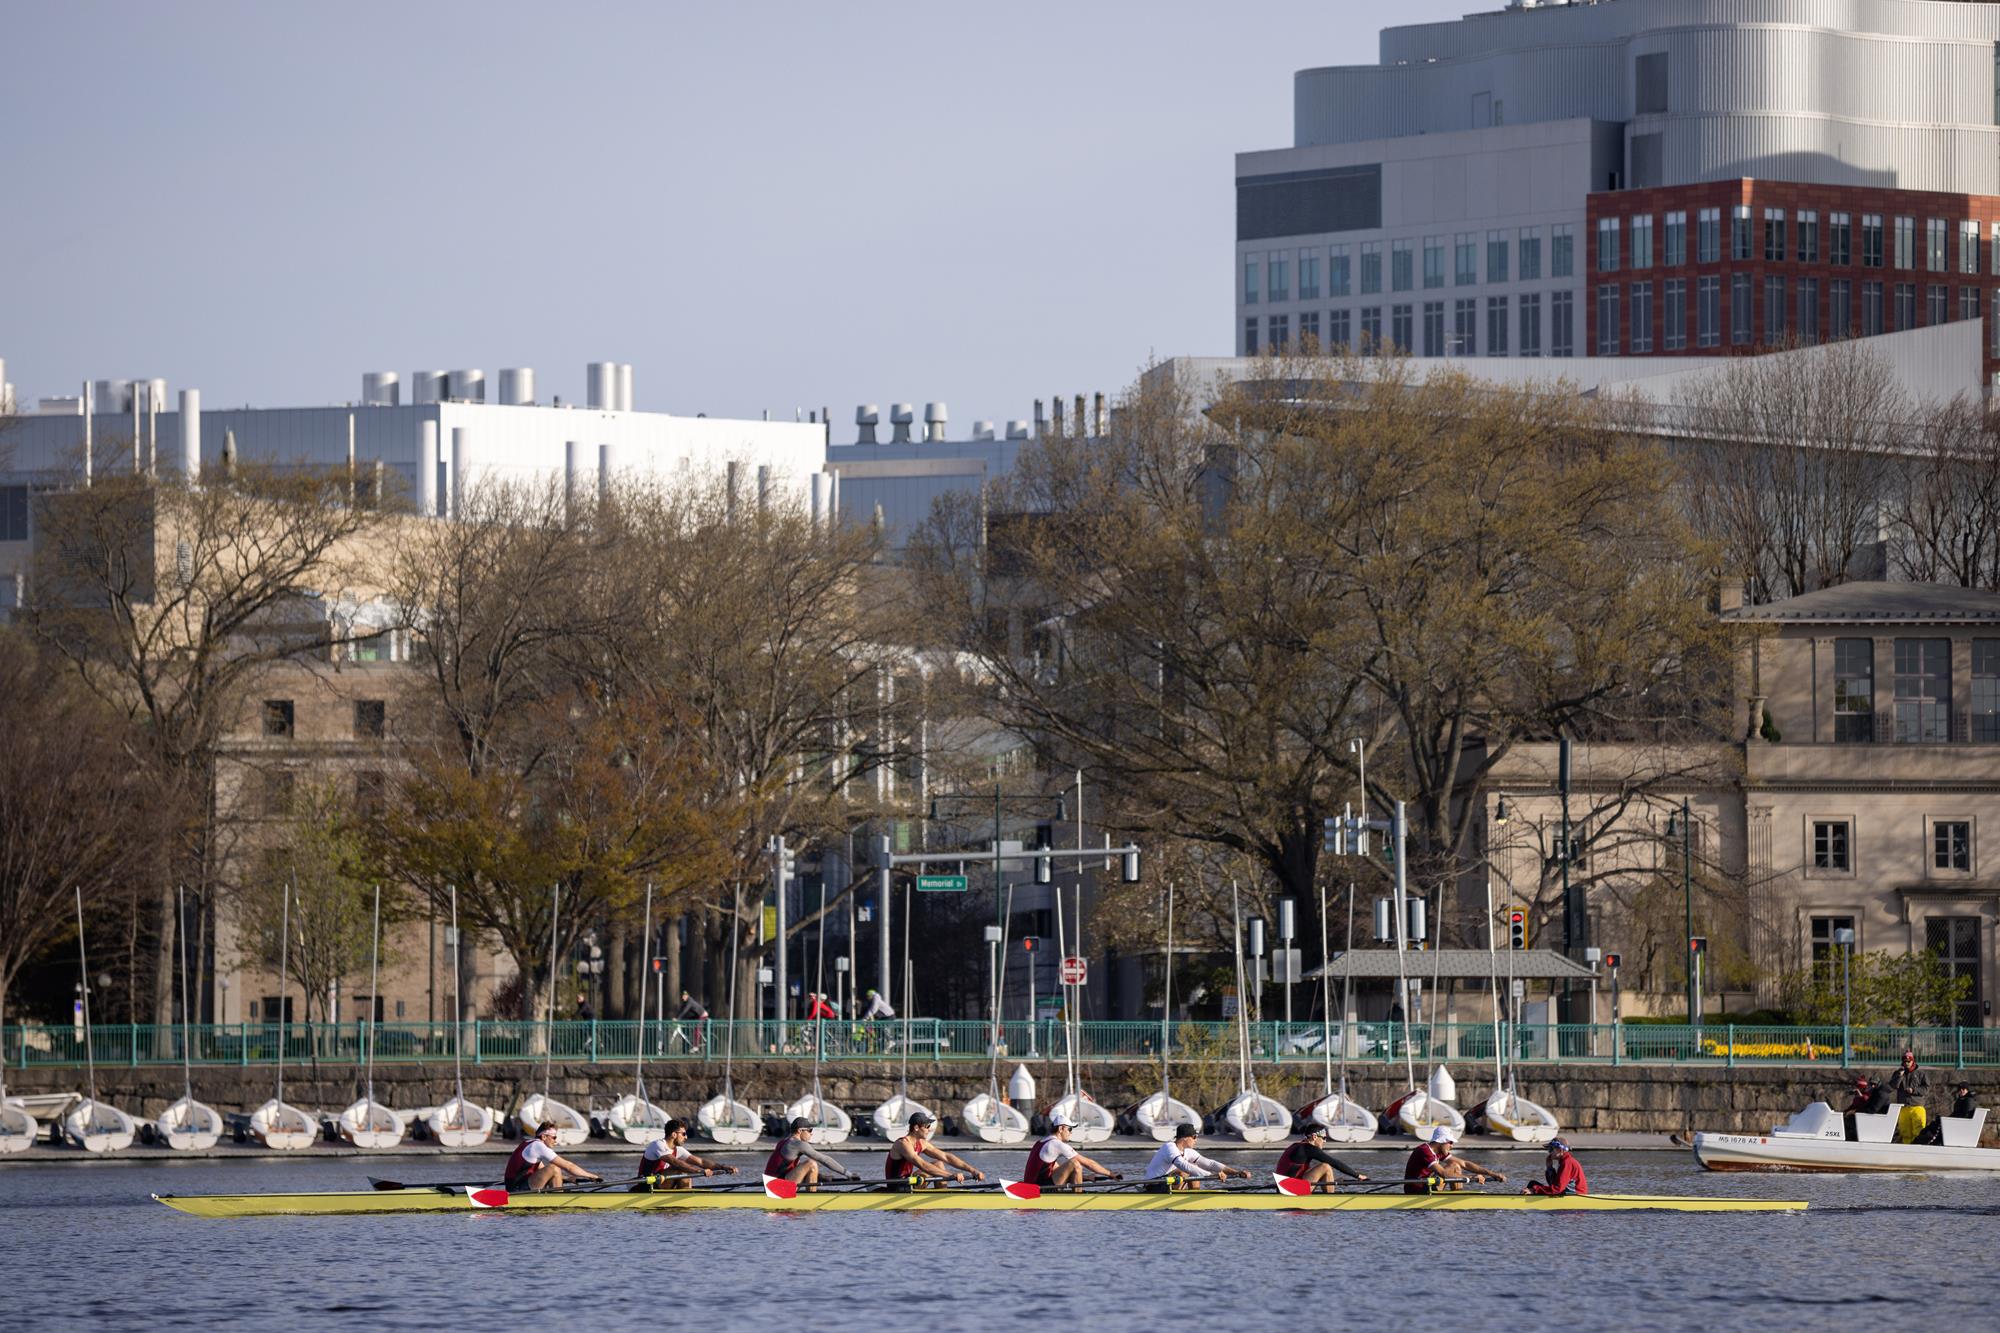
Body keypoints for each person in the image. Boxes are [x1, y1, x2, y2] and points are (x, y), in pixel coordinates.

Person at [886, 1110, 986, 1184]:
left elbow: (946, 1157)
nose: (929, 1129)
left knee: (939, 1163)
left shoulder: (922, 1143)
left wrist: (972, 1170)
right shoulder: (903, 1144)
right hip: (897, 1185)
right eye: (927, 1126)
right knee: (929, 1170)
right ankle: (942, 1199)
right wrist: (951, 1176)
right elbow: (923, 1165)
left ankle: (943, 1198)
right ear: (916, 1127)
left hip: (910, 1182)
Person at [502, 1120, 603, 1193]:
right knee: (554, 1167)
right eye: (554, 1137)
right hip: (516, 1190)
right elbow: (568, 1166)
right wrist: (591, 1175)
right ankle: (557, 1199)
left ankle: (557, 1195)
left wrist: (567, 1178)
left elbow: (540, 1170)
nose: (555, 1141)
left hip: (515, 1185)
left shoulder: (529, 1143)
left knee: (552, 1169)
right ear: (544, 1136)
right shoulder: (538, 1146)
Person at [1025, 1113, 1117, 1189]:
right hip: (1036, 1190)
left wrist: (1086, 1178)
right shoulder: (1056, 1144)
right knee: (1074, 1163)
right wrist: (1110, 1174)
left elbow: (1056, 1170)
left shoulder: (1041, 1142)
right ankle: (1078, 1199)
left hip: (1033, 1186)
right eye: (1069, 1129)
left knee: (1072, 1165)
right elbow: (1089, 1163)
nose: (1071, 1132)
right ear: (1061, 1129)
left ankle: (1075, 1195)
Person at [763, 1118, 859, 1189]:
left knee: (811, 1169)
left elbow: (781, 1170)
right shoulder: (798, 1144)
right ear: (800, 1131)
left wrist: (825, 1178)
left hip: (771, 1185)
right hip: (775, 1189)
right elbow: (824, 1159)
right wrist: (848, 1174)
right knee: (811, 1163)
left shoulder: (784, 1141)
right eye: (809, 1130)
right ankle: (811, 1199)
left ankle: (810, 1197)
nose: (811, 1134)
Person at [1403, 1126, 1504, 1193]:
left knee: (1456, 1165)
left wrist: (1491, 1174)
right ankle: (1455, 1197)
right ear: (1441, 1141)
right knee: (1453, 1167)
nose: (1452, 1146)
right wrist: (1473, 1178)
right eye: (1450, 1142)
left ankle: (1456, 1195)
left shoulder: (1439, 1151)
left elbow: (1465, 1164)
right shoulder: (1424, 1151)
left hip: (1428, 1185)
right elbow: (1443, 1173)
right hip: (1415, 1190)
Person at [1146, 1124, 1250, 1188]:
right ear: (1185, 1138)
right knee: (1186, 1171)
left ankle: (1194, 1197)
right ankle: (1192, 1198)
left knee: (1193, 1170)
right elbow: (1183, 1165)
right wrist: (1210, 1176)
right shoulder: (1169, 1147)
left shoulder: (1188, 1151)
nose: (1196, 1140)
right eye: (1194, 1137)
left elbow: (1210, 1164)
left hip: (1168, 1184)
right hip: (1154, 1184)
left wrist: (1237, 1172)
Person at [639, 1118, 738, 1185]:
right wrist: (699, 1171)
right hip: (645, 1185)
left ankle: (685, 1210)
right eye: (683, 1134)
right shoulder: (658, 1145)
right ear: (674, 1134)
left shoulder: (678, 1150)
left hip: (661, 1184)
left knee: (683, 1173)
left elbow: (701, 1162)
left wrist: (723, 1167)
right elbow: (675, 1162)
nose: (686, 1137)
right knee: (681, 1171)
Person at [1273, 1125, 1370, 1192]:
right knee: (1326, 1166)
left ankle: (1331, 1187)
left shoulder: (1297, 1146)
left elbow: (1299, 1175)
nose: (1325, 1141)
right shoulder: (1308, 1148)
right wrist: (1357, 1176)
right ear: (1314, 1137)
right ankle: (1330, 1200)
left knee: (1321, 1168)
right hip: (1289, 1190)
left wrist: (1334, 1180)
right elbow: (1334, 1163)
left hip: (1283, 1188)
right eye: (1323, 1138)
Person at [1914, 1081, 1978, 1146]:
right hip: (1956, 1122)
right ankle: (1923, 1140)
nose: (1961, 1091)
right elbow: (1956, 1113)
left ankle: (1926, 1141)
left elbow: (1965, 1116)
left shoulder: (1969, 1100)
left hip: (1960, 1124)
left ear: (1967, 1090)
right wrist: (1947, 1119)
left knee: (1937, 1125)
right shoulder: (1961, 1099)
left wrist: (1949, 1120)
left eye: (1963, 1089)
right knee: (1935, 1123)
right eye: (1960, 1089)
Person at [1887, 1049, 1931, 1144]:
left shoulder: (1921, 1074)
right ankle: (1907, 1150)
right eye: (1905, 1061)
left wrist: (1914, 1090)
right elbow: (1893, 1086)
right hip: (1903, 1107)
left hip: (1917, 1107)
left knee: (1918, 1132)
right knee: (1904, 1132)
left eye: (1909, 1061)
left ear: (1913, 1061)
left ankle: (1918, 1150)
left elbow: (1926, 1089)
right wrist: (1899, 1076)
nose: (1907, 1063)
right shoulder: (1898, 1073)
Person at [1523, 1138, 1588, 1195]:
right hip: (1566, 1193)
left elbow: (1557, 1189)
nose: (1549, 1152)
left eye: (1551, 1149)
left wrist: (1534, 1190)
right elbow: (1553, 1185)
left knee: (1533, 1187)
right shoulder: (1564, 1161)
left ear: (1560, 1150)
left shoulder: (1567, 1163)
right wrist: (1549, 1168)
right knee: (1533, 1183)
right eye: (1549, 1150)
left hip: (1575, 1196)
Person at [1842, 1075, 1892, 1141]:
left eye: (1874, 1084)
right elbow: (1867, 1104)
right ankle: (1850, 1138)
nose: (1872, 1086)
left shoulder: (1881, 1094)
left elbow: (1873, 1109)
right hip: (1873, 1115)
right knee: (1849, 1119)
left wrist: (1858, 1111)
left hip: (1878, 1116)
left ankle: (1852, 1139)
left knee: (1851, 1120)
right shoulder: (1875, 1092)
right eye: (1871, 1084)